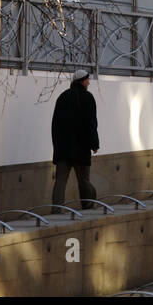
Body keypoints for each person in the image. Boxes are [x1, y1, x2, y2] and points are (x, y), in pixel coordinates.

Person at [51, 68, 99, 209]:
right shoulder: (88, 98)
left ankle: (57, 210)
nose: (89, 83)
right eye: (87, 80)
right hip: (81, 148)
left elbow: (55, 125)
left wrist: (57, 146)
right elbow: (91, 123)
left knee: (60, 181)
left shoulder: (62, 97)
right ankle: (88, 206)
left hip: (63, 149)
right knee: (84, 180)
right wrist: (94, 144)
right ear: (82, 81)